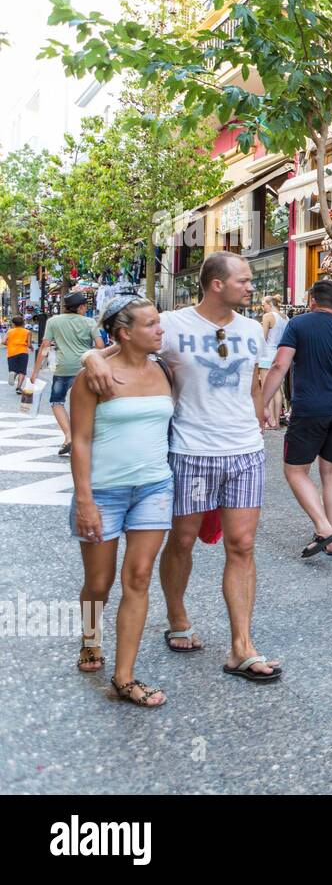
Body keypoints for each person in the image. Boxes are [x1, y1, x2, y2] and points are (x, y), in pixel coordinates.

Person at [81, 250, 281, 683]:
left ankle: (241, 646)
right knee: (183, 540)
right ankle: (176, 615)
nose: (251, 287)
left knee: (243, 545)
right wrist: (91, 358)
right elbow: (118, 348)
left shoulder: (251, 330)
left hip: (245, 452)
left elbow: (252, 385)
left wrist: (259, 419)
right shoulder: (171, 324)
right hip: (191, 452)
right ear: (216, 284)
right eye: (243, 281)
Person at [69, 295, 173, 707]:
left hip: (154, 488)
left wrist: (90, 352)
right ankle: (90, 637)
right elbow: (79, 441)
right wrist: (84, 501)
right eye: (150, 324)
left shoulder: (165, 369)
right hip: (104, 492)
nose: (160, 330)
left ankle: (124, 676)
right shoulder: (94, 377)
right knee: (99, 582)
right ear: (125, 333)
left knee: (139, 578)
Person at [260, 279, 332, 558]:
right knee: (331, 472)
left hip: (309, 408)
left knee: (295, 471)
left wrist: (260, 403)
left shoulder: (299, 325)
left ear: (312, 300)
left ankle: (324, 527)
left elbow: (279, 365)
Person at [31, 291, 104, 455]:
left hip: (63, 368)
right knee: (88, 403)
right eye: (85, 306)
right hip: (85, 367)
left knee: (57, 402)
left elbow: (44, 347)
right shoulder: (90, 322)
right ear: (80, 307)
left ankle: (69, 435)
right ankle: (86, 438)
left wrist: (35, 372)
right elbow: (100, 345)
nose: (86, 309)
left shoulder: (53, 321)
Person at [257, 294, 288, 429]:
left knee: (266, 388)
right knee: (277, 389)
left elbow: (262, 338)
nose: (263, 308)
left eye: (264, 305)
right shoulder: (285, 317)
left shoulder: (268, 317)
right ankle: (276, 421)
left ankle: (270, 421)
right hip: (280, 354)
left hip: (266, 354)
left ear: (269, 304)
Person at [6, 314, 32, 391]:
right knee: (22, 371)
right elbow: (29, 344)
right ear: (23, 323)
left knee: (13, 369)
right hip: (23, 352)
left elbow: (3, 341)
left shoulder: (9, 331)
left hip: (12, 352)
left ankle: (13, 374)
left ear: (13, 324)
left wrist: (11, 343)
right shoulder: (28, 332)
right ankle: (19, 387)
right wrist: (31, 347)